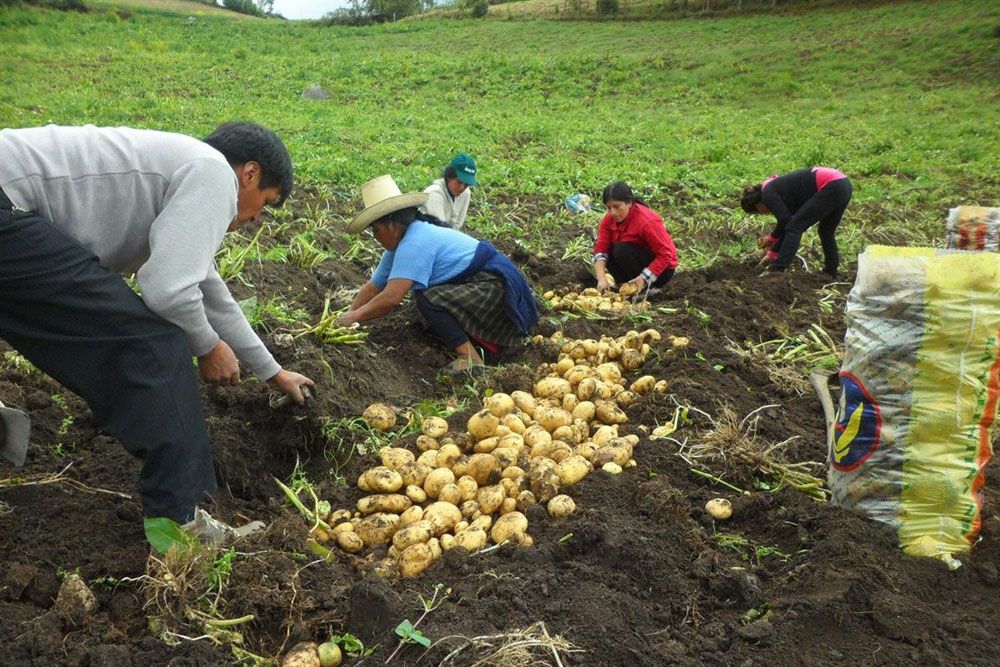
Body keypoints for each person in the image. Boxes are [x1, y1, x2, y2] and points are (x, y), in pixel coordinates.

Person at [0, 122, 315, 549]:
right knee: (157, 345)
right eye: (266, 203)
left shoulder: (182, 163)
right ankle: (181, 528)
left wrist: (273, 372)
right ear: (250, 174)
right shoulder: (212, 172)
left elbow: (207, 290)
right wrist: (207, 346)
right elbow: (168, 291)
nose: (257, 217)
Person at [341, 175, 538, 373]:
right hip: (479, 283)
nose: (375, 237)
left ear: (392, 224)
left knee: (428, 298)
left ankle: (469, 357)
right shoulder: (399, 245)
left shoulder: (414, 242)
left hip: (495, 287)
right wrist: (347, 317)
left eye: (376, 230)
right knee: (427, 296)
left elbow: (392, 298)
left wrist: (355, 316)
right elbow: (373, 287)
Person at [740, 166, 852, 277]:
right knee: (825, 231)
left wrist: (771, 238)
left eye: (759, 212)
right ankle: (830, 271)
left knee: (795, 227)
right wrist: (772, 254)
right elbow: (786, 224)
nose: (763, 214)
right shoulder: (778, 191)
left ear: (758, 205)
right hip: (843, 184)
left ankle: (776, 271)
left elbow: (785, 221)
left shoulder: (767, 193)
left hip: (831, 184)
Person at [593, 181, 678, 297]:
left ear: (629, 202)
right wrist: (601, 278)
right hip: (635, 264)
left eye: (617, 207)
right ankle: (624, 285)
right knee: (610, 249)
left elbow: (665, 254)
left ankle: (648, 288)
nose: (612, 212)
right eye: (608, 208)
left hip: (662, 271)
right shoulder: (608, 220)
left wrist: (643, 279)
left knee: (621, 250)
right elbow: (600, 249)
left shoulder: (647, 221)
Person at [419, 152, 478, 229]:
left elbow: (457, 225)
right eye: (459, 182)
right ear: (449, 176)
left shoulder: (466, 193)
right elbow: (439, 231)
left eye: (466, 184)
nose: (462, 188)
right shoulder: (435, 194)